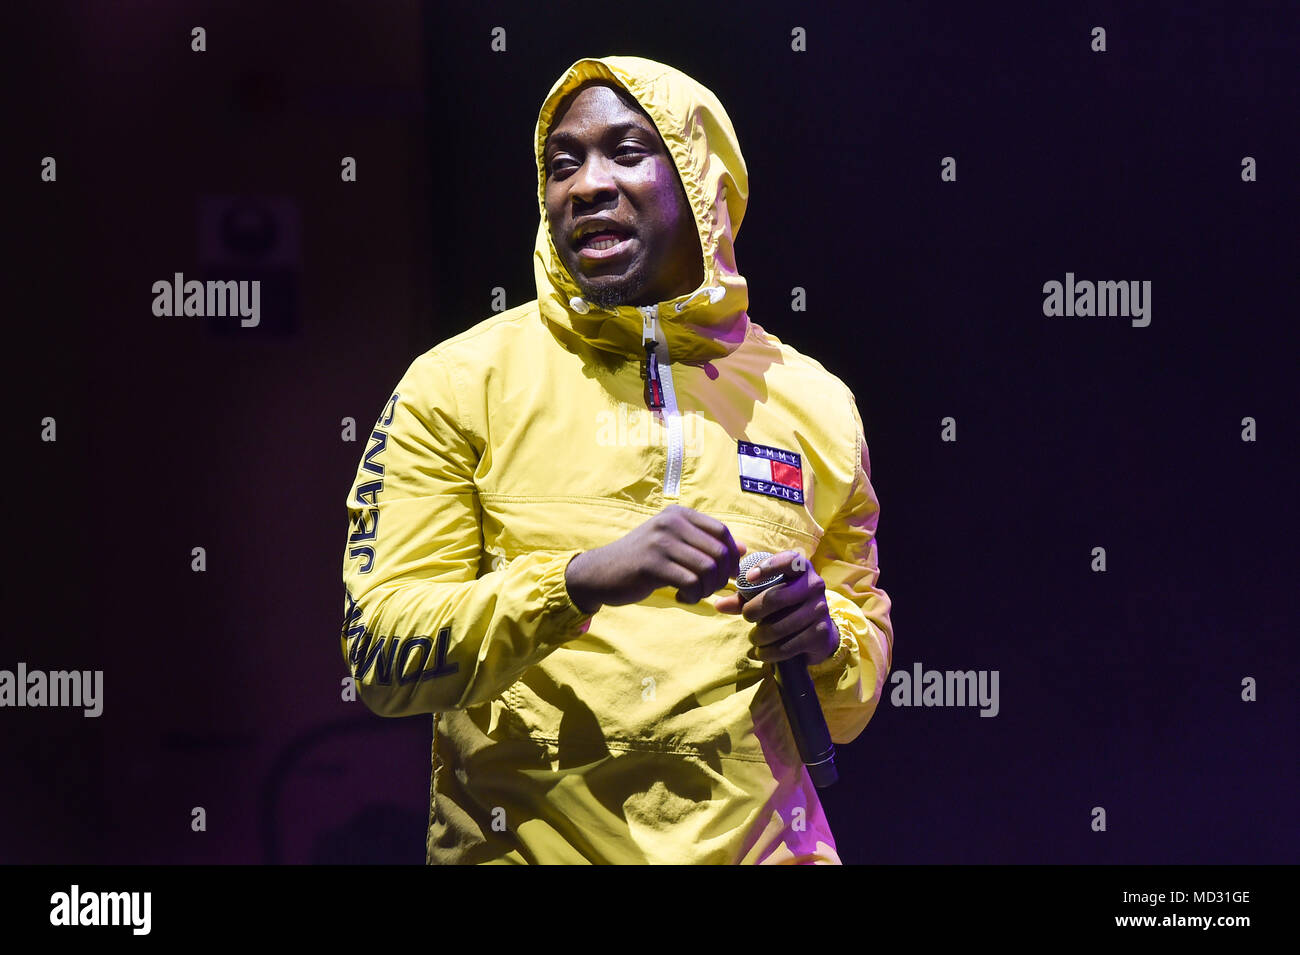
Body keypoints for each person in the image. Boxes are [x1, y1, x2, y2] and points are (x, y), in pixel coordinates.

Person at [340, 54, 894, 864]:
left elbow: (850, 694)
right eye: (564, 164)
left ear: (702, 184)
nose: (587, 185)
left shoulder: (814, 403)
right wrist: (579, 580)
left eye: (628, 152)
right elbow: (383, 653)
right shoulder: (458, 383)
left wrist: (824, 639)